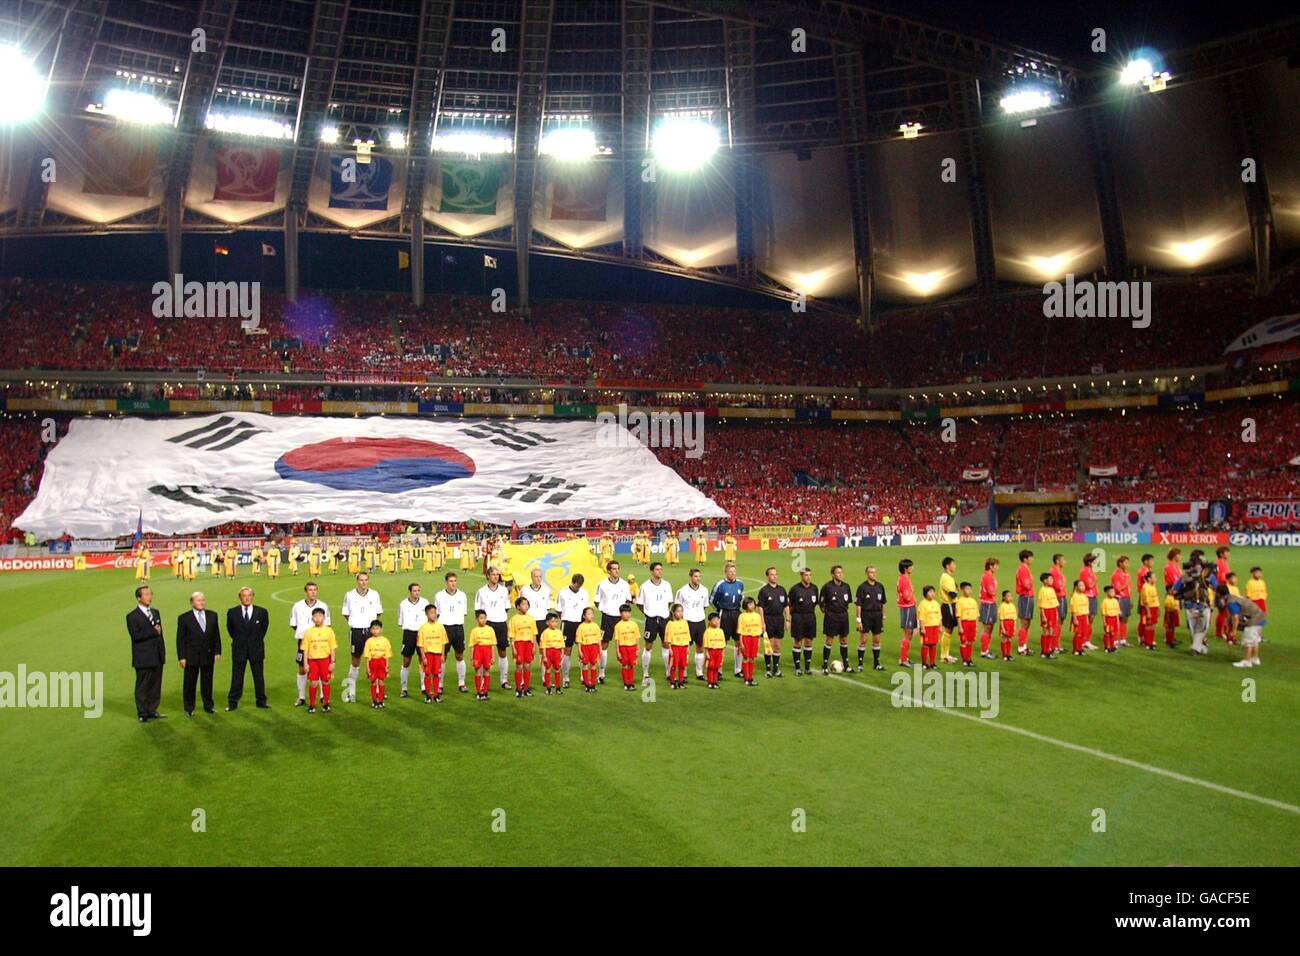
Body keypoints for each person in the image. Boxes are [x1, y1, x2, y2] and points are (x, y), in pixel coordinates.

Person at [176, 591, 222, 716]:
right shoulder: (184, 618)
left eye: (203, 600)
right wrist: (182, 657)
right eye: (198, 600)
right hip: (191, 656)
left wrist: (218, 651)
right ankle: (189, 708)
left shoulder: (212, 615)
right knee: (190, 683)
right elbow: (180, 640)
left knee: (207, 683)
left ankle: (208, 706)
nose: (201, 602)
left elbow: (216, 635)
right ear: (192, 602)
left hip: (208, 654)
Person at [225, 586, 269, 711]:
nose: (247, 598)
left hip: (256, 649)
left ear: (252, 596)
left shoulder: (262, 612)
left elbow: (263, 630)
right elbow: (230, 630)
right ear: (240, 597)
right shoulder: (232, 612)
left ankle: (261, 701)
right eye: (244, 595)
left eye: (249, 595)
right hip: (239, 649)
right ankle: (233, 702)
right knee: (237, 677)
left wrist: (254, 641)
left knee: (259, 676)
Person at [341, 572, 383, 703]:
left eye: (366, 580)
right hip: (357, 631)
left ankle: (377, 691)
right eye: (361, 580)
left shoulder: (374, 594)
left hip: (371, 631)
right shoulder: (349, 595)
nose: (363, 582)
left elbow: (378, 612)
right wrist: (356, 622)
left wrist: (371, 627)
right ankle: (351, 692)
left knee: (375, 660)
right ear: (357, 581)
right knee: (355, 660)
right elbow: (346, 613)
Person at [126, 585, 166, 722]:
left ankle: (152, 710)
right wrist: (153, 631)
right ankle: (142, 713)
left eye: (151, 594)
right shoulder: (132, 616)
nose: (150, 597)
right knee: (143, 686)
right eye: (147, 594)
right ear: (139, 598)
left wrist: (162, 653)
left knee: (155, 685)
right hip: (143, 657)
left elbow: (160, 634)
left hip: (157, 655)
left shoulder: (155, 612)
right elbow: (135, 635)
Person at [289, 582, 329, 706]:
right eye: (310, 590)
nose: (313, 592)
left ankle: (323, 696)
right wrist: (306, 636)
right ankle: (301, 697)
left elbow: (327, 625)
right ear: (305, 592)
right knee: (302, 669)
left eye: (315, 590)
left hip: (320, 641)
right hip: (303, 642)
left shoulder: (323, 605)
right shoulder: (297, 606)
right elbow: (294, 624)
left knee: (322, 669)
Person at [594, 560, 632, 685]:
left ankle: (626, 673)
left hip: (621, 619)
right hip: (608, 617)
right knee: (604, 644)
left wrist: (624, 613)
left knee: (624, 644)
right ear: (609, 571)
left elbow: (628, 600)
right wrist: (604, 610)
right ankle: (601, 672)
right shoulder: (602, 584)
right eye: (614, 569)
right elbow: (596, 601)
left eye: (618, 568)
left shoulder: (625, 584)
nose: (616, 571)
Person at [475, 568, 512, 691]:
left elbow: (506, 607)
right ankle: (482, 682)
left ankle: (504, 680)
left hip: (501, 623)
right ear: (488, 576)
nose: (495, 577)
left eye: (497, 575)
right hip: (487, 624)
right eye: (493, 574)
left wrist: (499, 615)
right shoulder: (481, 591)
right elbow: (478, 611)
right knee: (484, 653)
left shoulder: (504, 591)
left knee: (502, 651)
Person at [637, 562, 673, 684]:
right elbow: (639, 603)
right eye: (657, 569)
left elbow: (669, 602)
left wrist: (662, 612)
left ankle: (668, 671)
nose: (660, 571)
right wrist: (648, 613)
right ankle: (645, 673)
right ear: (652, 571)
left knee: (666, 645)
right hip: (651, 619)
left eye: (661, 569)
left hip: (664, 619)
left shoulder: (667, 585)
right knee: (648, 646)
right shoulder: (645, 586)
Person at [434, 572, 469, 694]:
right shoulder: (439, 596)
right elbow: (436, 613)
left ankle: (461, 683)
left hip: (458, 628)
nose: (453, 583)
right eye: (450, 581)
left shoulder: (462, 595)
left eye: (455, 581)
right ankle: (440, 684)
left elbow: (464, 612)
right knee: (442, 657)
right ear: (446, 582)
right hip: (444, 628)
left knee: (460, 655)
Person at [675, 567, 711, 681]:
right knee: (685, 648)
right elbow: (677, 607)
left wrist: (698, 614)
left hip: (700, 621)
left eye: (699, 576)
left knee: (700, 647)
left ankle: (699, 672)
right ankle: (684, 672)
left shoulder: (704, 590)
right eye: (696, 576)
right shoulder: (682, 591)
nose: (698, 578)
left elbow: (705, 605)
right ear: (690, 577)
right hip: (687, 622)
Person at [300, 606, 337, 713]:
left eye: (320, 616)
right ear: (312, 618)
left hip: (325, 660)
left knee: (325, 681)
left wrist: (332, 662)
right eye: (315, 616)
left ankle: (325, 703)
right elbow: (305, 649)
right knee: (313, 683)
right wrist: (305, 664)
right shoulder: (308, 632)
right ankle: (312, 705)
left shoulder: (329, 631)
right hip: (313, 662)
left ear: (324, 617)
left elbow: (332, 648)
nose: (318, 618)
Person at [556, 573, 590, 690]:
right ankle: (565, 678)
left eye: (580, 586)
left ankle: (583, 676)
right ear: (573, 582)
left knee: (583, 650)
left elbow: (586, 610)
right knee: (567, 650)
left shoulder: (584, 593)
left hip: (581, 623)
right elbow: (558, 610)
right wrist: (566, 619)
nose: (578, 588)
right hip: (567, 623)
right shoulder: (563, 592)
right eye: (577, 585)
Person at [397, 582, 430, 699]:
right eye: (414, 591)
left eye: (418, 590)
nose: (417, 593)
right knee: (406, 661)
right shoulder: (403, 604)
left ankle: (424, 687)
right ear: (410, 592)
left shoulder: (425, 602)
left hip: (422, 634)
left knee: (423, 660)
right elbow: (400, 622)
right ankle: (404, 688)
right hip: (409, 633)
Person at [818, 564, 852, 675]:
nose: (840, 574)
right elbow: (821, 604)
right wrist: (827, 613)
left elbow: (848, 602)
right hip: (831, 616)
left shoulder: (846, 586)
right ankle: (824, 665)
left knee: (844, 640)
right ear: (833, 574)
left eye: (841, 572)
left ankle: (846, 665)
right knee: (829, 640)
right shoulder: (827, 587)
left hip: (843, 616)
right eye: (838, 572)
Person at [756, 566, 788, 678]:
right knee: (769, 645)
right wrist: (762, 622)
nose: (774, 576)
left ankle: (776, 668)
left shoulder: (782, 590)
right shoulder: (764, 591)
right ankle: (768, 669)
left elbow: (786, 606)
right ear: (767, 576)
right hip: (768, 619)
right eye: (772, 574)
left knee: (777, 645)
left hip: (779, 619)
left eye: (776, 574)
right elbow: (760, 608)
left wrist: (787, 619)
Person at [855, 565, 886, 672]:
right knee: (863, 639)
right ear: (867, 574)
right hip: (866, 615)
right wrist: (858, 620)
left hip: (877, 616)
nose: (874, 574)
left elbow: (883, 603)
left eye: (875, 572)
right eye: (871, 572)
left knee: (877, 640)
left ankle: (876, 664)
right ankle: (860, 664)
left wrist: (883, 616)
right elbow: (858, 604)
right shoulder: (862, 587)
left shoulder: (880, 586)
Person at [787, 567, 817, 676]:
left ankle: (807, 668)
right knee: (798, 642)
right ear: (801, 576)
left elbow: (815, 603)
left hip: (810, 617)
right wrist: (789, 619)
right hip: (798, 617)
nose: (808, 577)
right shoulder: (795, 589)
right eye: (806, 575)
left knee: (809, 641)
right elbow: (789, 606)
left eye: (809, 575)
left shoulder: (814, 588)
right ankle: (797, 668)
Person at [416, 603, 448, 703]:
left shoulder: (441, 627)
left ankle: (436, 695)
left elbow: (443, 642)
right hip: (428, 654)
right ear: (426, 614)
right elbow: (420, 644)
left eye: (435, 613)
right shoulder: (423, 628)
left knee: (436, 674)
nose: (434, 615)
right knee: (427, 674)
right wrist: (423, 657)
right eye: (431, 613)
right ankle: (428, 695)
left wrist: (442, 655)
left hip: (438, 654)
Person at [508, 596, 538, 698]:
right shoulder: (513, 619)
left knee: (527, 666)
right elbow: (511, 635)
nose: (526, 606)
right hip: (518, 644)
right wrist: (513, 648)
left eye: (527, 604)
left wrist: (534, 646)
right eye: (523, 604)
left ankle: (526, 688)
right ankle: (518, 689)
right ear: (518, 607)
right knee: (519, 665)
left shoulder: (531, 619)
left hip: (528, 644)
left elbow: (534, 633)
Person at [361, 621, 393, 708]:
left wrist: (387, 666)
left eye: (377, 628)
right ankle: (374, 700)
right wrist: (367, 667)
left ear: (381, 630)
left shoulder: (385, 641)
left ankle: (381, 700)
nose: (375, 631)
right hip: (373, 663)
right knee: (373, 681)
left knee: (381, 681)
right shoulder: (368, 641)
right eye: (373, 629)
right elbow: (367, 656)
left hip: (382, 662)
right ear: (370, 630)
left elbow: (387, 655)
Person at [468, 609, 497, 701]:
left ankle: (485, 691)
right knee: (477, 671)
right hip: (478, 651)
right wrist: (472, 658)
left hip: (487, 651)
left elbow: (493, 645)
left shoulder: (490, 629)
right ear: (477, 619)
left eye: (484, 618)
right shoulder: (474, 631)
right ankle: (478, 691)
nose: (483, 620)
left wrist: (493, 657)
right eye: (481, 618)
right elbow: (472, 646)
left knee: (487, 671)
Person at [613, 603, 641, 690]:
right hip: (623, 647)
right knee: (625, 665)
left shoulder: (634, 624)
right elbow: (617, 640)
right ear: (620, 614)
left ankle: (631, 682)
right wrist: (617, 651)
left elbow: (637, 637)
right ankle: (626, 683)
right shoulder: (618, 626)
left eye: (628, 612)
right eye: (625, 612)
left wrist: (638, 648)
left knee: (631, 665)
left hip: (632, 647)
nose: (627, 614)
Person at [575, 606, 602, 693]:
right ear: (584, 616)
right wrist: (579, 651)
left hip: (594, 647)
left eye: (592, 614)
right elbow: (579, 640)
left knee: (593, 665)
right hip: (585, 647)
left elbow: (599, 640)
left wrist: (600, 650)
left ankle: (592, 684)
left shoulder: (596, 626)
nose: (591, 616)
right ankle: (587, 684)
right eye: (589, 614)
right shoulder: (581, 627)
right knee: (585, 665)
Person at [737, 597, 764, 686]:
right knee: (746, 658)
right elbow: (740, 630)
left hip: (754, 638)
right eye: (749, 604)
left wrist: (759, 641)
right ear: (745, 605)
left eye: (753, 603)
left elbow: (759, 629)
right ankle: (746, 678)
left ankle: (750, 677)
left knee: (752, 658)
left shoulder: (757, 616)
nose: (752, 605)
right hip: (746, 638)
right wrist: (741, 643)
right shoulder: (742, 616)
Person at [938, 557, 959, 665]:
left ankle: (946, 654)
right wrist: (955, 591)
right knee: (948, 630)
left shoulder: (949, 577)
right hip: (948, 606)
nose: (954, 566)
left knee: (949, 631)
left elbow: (957, 589)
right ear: (947, 566)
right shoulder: (945, 578)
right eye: (953, 564)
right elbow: (953, 594)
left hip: (952, 605)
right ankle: (943, 655)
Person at [1013, 549, 1035, 656]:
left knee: (1028, 623)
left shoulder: (1025, 568)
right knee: (1024, 623)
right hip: (1025, 597)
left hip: (1028, 597)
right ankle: (1021, 647)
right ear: (1025, 559)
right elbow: (1027, 585)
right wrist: (1031, 580)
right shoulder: (1022, 569)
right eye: (1030, 558)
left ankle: (1024, 646)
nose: (1032, 560)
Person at [664, 603, 691, 689]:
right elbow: (668, 637)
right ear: (673, 612)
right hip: (675, 647)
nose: (680, 613)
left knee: (682, 665)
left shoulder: (685, 623)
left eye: (681, 611)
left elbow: (687, 635)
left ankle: (680, 682)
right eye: (678, 611)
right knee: (673, 665)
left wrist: (688, 647)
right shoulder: (670, 624)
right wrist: (670, 648)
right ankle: (672, 681)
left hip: (683, 647)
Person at [977, 558, 999, 659]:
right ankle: (984, 651)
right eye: (996, 565)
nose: (997, 567)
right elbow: (992, 592)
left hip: (990, 603)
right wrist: (996, 586)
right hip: (987, 604)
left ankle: (986, 649)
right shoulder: (987, 577)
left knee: (989, 628)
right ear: (990, 566)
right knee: (987, 628)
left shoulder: (988, 576)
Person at [539, 612, 566, 695]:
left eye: (556, 622)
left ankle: (558, 688)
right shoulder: (545, 633)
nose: (555, 623)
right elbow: (543, 646)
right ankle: (548, 688)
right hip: (548, 652)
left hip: (557, 652)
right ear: (547, 622)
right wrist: (544, 656)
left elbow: (562, 644)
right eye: (552, 621)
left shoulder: (559, 632)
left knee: (557, 669)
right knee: (548, 669)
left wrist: (562, 654)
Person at [897, 559, 917, 667]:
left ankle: (904, 657)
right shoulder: (904, 579)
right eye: (911, 566)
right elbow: (907, 597)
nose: (912, 568)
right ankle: (902, 659)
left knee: (909, 634)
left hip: (909, 608)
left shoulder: (903, 578)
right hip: (907, 608)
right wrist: (912, 591)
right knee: (907, 634)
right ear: (906, 568)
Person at [916, 585, 942, 670]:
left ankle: (932, 663)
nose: (932, 593)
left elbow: (939, 616)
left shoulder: (936, 603)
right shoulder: (922, 604)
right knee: (926, 645)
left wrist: (940, 626)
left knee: (934, 645)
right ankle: (924, 663)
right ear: (925, 594)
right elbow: (921, 618)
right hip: (927, 627)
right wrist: (922, 628)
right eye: (930, 592)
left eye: (933, 592)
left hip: (935, 627)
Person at [955, 581, 979, 668]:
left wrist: (976, 625)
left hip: (972, 623)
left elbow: (976, 614)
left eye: (970, 589)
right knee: (964, 642)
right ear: (962, 590)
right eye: (967, 589)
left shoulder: (973, 601)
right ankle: (964, 660)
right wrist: (960, 627)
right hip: (964, 623)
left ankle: (969, 659)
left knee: (970, 642)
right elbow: (958, 615)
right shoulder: (960, 601)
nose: (969, 591)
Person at [1111, 555, 1132, 648]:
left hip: (1126, 598)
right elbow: (1117, 589)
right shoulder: (1116, 574)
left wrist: (1129, 599)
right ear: (1120, 564)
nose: (1128, 564)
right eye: (1126, 562)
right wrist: (1126, 583)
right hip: (1119, 598)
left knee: (1125, 619)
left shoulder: (1126, 573)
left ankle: (1123, 640)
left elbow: (1129, 588)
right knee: (1117, 620)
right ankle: (1115, 640)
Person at [1037, 572, 1060, 657]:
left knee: (1051, 630)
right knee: (1045, 631)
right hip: (1046, 612)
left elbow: (1055, 603)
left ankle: (1048, 649)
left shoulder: (1052, 590)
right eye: (1050, 579)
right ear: (1045, 581)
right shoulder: (1042, 590)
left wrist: (1056, 614)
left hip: (1053, 611)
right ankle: (1044, 651)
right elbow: (1041, 605)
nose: (1052, 580)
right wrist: (1043, 616)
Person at [702, 612, 726, 689]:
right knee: (710, 667)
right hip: (711, 651)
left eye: (717, 620)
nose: (716, 622)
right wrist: (706, 653)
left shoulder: (721, 631)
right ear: (709, 621)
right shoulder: (707, 631)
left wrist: (722, 653)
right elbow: (705, 643)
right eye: (714, 620)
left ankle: (714, 681)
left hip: (719, 651)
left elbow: (723, 644)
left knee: (716, 667)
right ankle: (710, 682)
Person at [1137, 571, 1160, 650]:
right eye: (1154, 577)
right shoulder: (1145, 587)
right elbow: (1145, 601)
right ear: (1149, 579)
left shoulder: (1153, 586)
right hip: (1148, 609)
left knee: (1153, 626)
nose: (1156, 578)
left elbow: (1156, 598)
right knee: (1148, 626)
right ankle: (1147, 643)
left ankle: (1151, 641)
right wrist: (1148, 612)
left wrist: (1158, 610)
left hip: (1154, 608)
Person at [1068, 581, 1091, 656]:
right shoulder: (1074, 596)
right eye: (1081, 585)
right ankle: (1075, 650)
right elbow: (1073, 608)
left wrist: (1087, 618)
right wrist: (1074, 619)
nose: (1083, 587)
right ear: (1076, 587)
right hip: (1078, 617)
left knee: (1083, 633)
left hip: (1084, 616)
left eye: (1083, 585)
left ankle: (1080, 649)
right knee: (1078, 633)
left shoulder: (1084, 596)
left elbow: (1087, 608)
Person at [997, 590, 1017, 662]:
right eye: (1008, 596)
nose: (1010, 597)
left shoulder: (1012, 606)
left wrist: (1014, 626)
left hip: (1011, 623)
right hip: (1005, 624)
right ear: (1004, 597)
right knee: (1004, 639)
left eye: (1010, 596)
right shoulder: (1002, 606)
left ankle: (1008, 654)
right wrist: (1003, 628)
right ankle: (1004, 655)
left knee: (1009, 639)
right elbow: (1001, 619)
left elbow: (1014, 618)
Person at [1101, 585, 1121, 653]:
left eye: (1113, 591)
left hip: (1115, 619)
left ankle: (1112, 646)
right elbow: (1103, 613)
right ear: (1107, 593)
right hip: (1108, 619)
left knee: (1113, 633)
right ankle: (1107, 647)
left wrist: (1118, 621)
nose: (1113, 593)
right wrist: (1104, 622)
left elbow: (1117, 612)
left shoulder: (1115, 601)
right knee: (1107, 633)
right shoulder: (1105, 601)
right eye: (1111, 592)